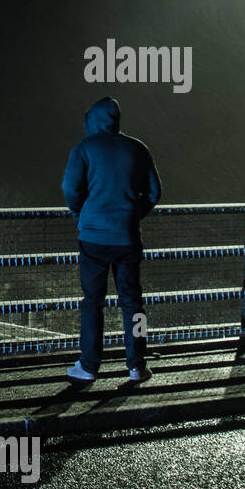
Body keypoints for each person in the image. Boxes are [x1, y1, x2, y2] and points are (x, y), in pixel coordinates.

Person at [61, 96, 162, 382]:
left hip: (92, 237)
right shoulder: (137, 148)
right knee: (133, 303)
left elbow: (69, 187)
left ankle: (89, 366)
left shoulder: (85, 148)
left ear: (92, 120)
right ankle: (137, 366)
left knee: (92, 301)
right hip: (127, 237)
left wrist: (81, 214)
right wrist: (132, 215)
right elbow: (155, 193)